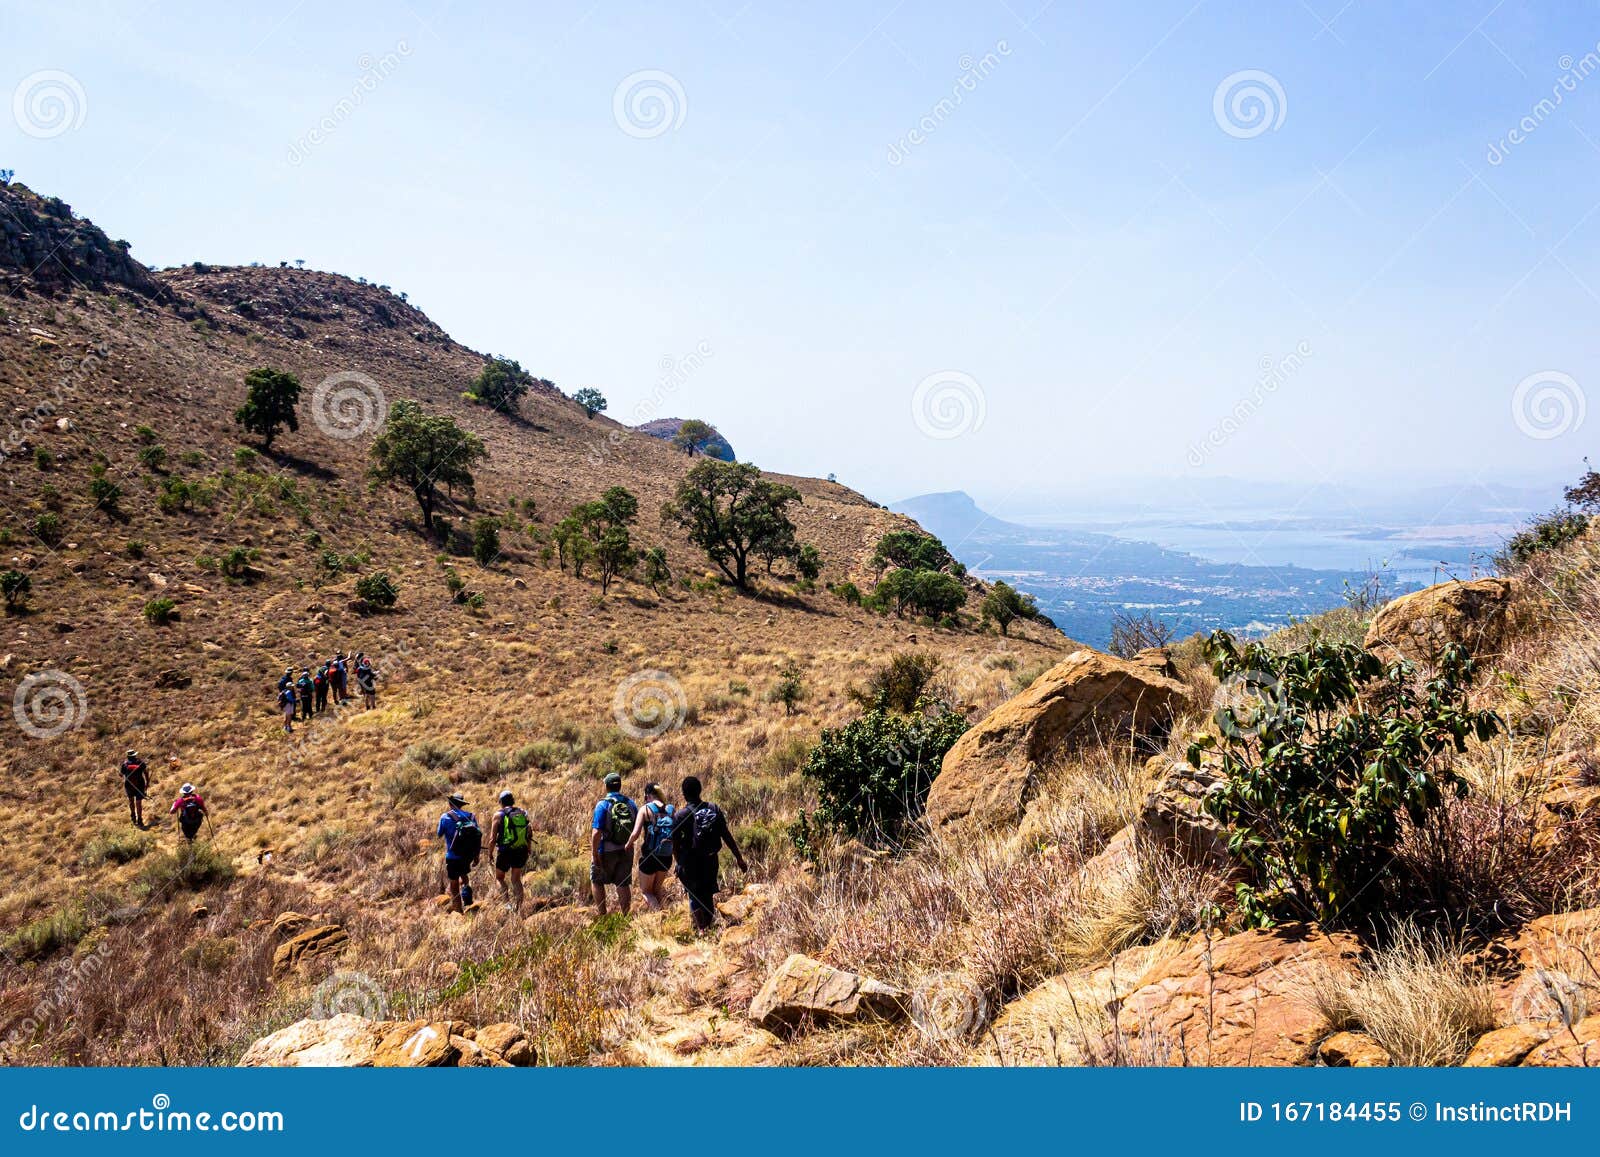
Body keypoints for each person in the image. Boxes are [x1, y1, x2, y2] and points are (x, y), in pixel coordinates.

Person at [672, 776, 747, 932]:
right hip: (711, 859)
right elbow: (726, 835)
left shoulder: (680, 816)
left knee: (694, 896)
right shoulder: (714, 809)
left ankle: (702, 929)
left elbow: (675, 844)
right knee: (707, 894)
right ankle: (708, 926)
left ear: (684, 794)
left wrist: (679, 863)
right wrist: (739, 858)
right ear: (700, 791)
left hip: (690, 863)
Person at [590, 772, 637, 916]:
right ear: (620, 785)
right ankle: (626, 916)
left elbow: (596, 832)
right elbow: (636, 826)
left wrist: (595, 853)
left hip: (606, 851)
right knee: (623, 884)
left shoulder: (603, 805)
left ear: (606, 786)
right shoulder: (631, 803)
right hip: (626, 849)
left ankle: (603, 916)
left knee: (597, 881)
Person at [626, 782, 676, 911]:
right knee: (657, 889)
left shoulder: (645, 809)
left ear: (647, 796)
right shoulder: (670, 809)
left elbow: (635, 833)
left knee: (647, 892)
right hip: (666, 856)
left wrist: (627, 845)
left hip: (650, 856)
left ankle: (659, 916)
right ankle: (667, 919)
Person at [436, 793, 481, 913]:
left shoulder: (445, 817)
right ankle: (467, 895)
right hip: (468, 855)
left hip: (452, 856)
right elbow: (477, 836)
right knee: (464, 875)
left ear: (450, 804)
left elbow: (439, 834)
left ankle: (458, 911)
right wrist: (476, 855)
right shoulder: (471, 817)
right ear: (462, 804)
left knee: (453, 883)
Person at [488, 790, 530, 913]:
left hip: (505, 851)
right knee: (516, 879)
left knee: (500, 878)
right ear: (512, 801)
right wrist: (529, 848)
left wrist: (490, 854)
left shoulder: (498, 815)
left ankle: (507, 904)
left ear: (501, 802)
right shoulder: (522, 813)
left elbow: (492, 839)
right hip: (521, 850)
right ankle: (519, 908)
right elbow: (529, 833)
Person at [118, 749, 150, 828]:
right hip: (140, 785)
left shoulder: (125, 764)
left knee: (131, 801)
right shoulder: (140, 763)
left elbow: (121, 775)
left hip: (129, 786)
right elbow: (146, 773)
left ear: (128, 756)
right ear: (135, 755)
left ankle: (133, 816)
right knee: (138, 803)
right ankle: (140, 820)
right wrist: (147, 783)